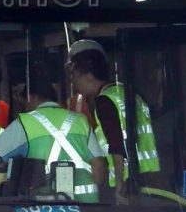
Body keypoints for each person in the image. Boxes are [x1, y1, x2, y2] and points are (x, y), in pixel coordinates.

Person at [0, 70, 106, 203]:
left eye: (23, 102)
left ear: (32, 98)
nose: (23, 106)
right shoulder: (81, 121)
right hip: (86, 210)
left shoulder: (25, 123)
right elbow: (99, 167)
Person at [68, 39, 160, 198]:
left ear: (89, 76)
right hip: (147, 174)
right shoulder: (126, 91)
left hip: (127, 179)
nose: (74, 82)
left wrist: (119, 184)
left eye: (75, 76)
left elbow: (116, 145)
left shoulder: (105, 100)